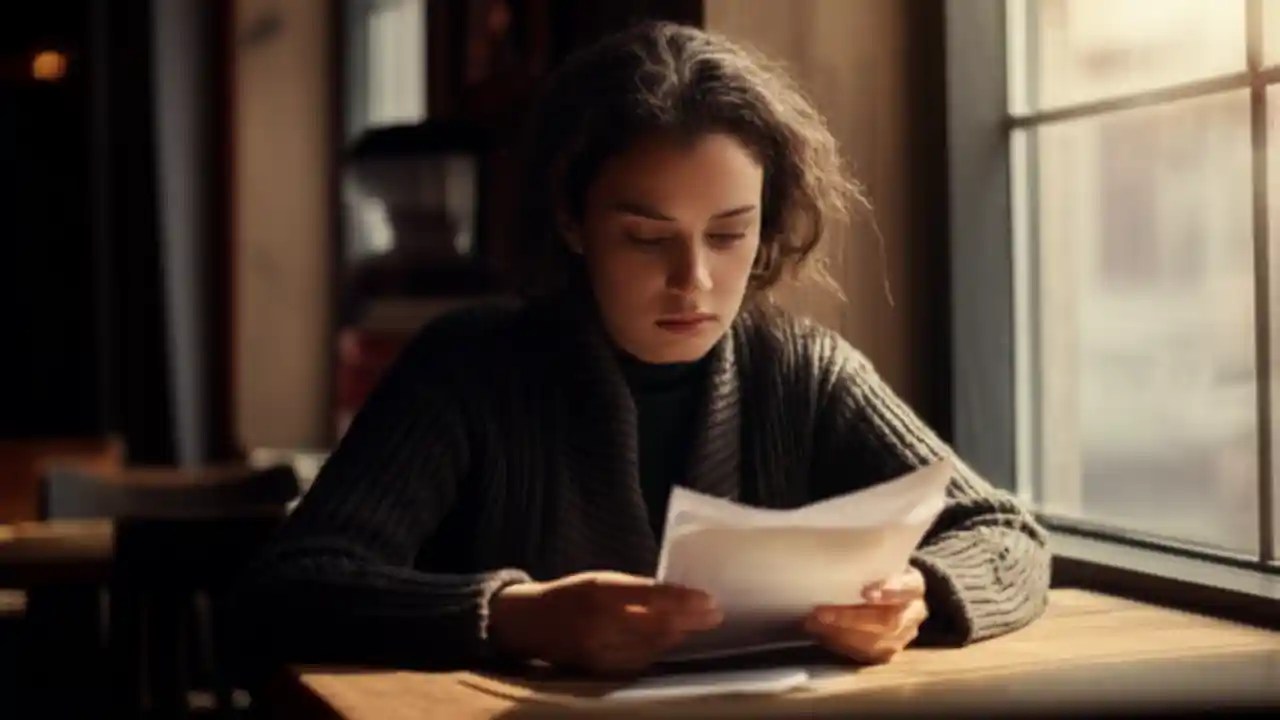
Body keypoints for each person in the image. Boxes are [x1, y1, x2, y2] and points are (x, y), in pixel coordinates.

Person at [233, 22, 1050, 678]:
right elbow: (294, 585)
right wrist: (512, 615)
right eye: (645, 237)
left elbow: (1008, 537)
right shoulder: (468, 368)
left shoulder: (803, 370)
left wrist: (918, 595)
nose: (693, 280)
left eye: (731, 234)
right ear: (570, 220)